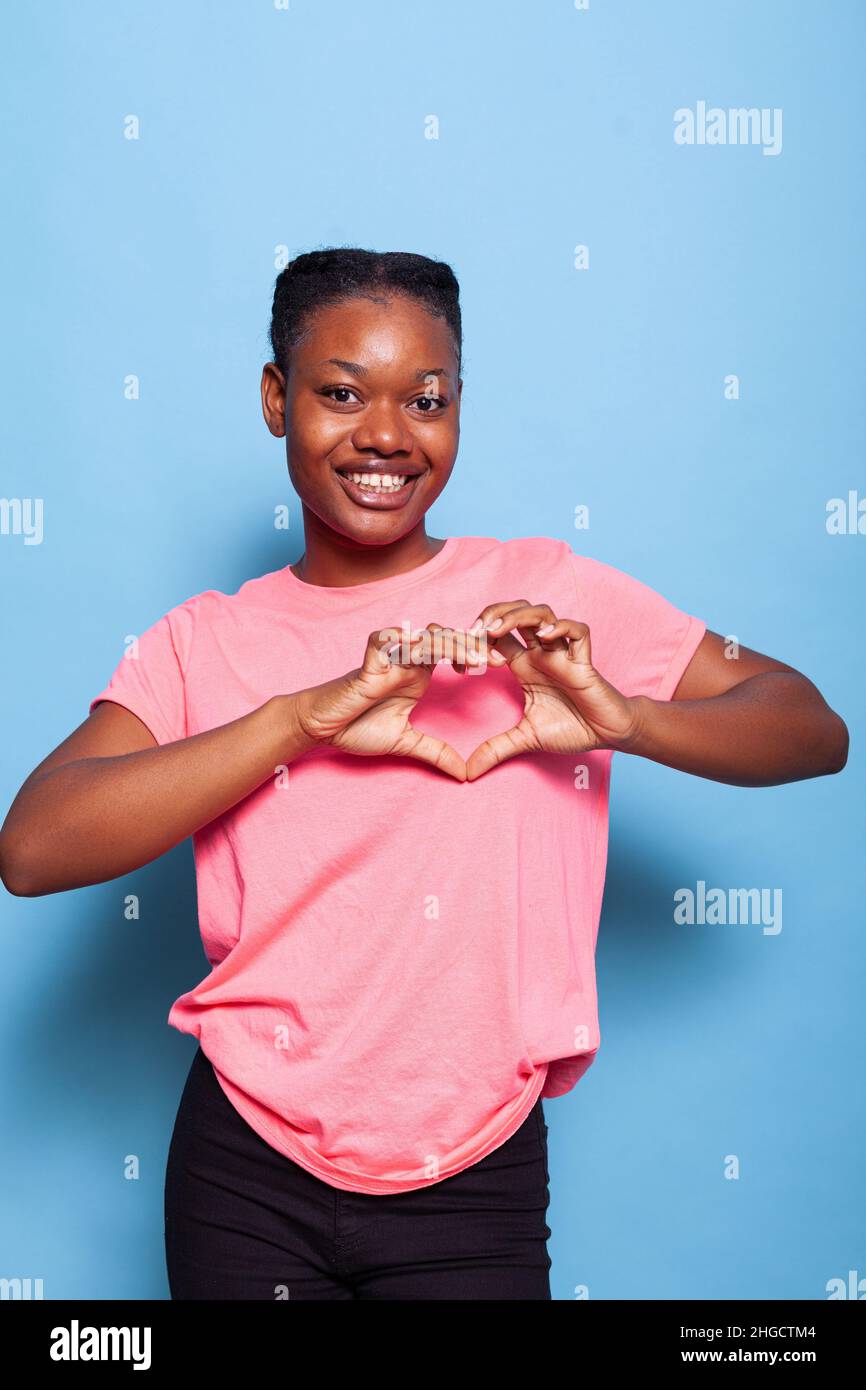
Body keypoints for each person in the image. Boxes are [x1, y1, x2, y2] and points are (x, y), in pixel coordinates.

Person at [0, 248, 848, 1302]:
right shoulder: (200, 643)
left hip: (473, 1177)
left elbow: (809, 727)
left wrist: (623, 719)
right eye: (340, 392)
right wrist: (295, 722)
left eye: (425, 399)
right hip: (242, 1169)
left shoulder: (541, 598)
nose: (386, 435)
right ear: (276, 399)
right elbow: (32, 848)